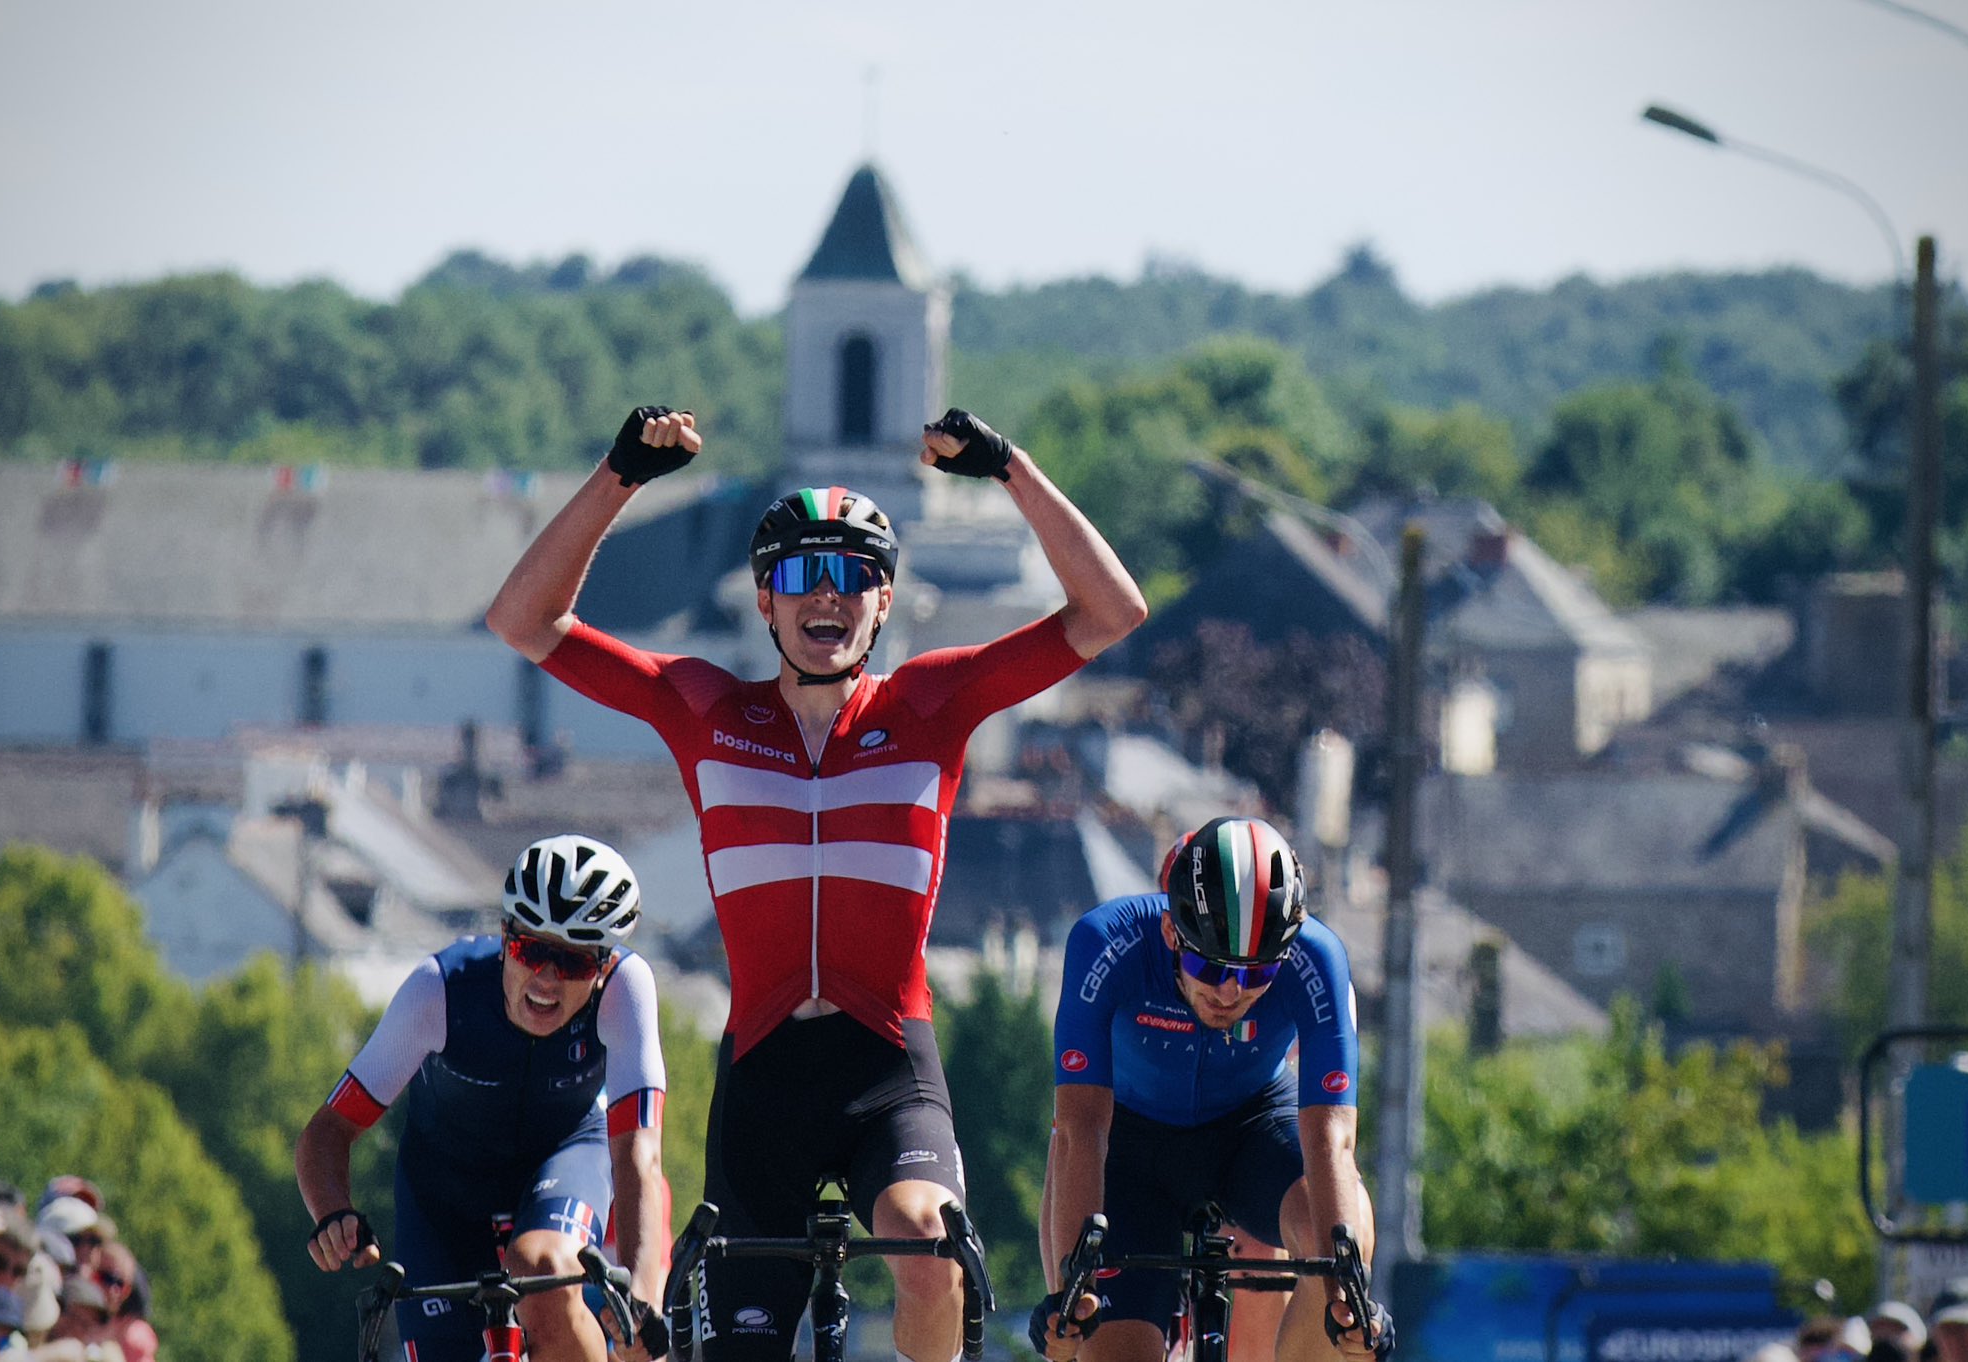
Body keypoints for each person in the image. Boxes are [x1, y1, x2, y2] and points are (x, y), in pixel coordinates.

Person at [486, 405, 1146, 1362]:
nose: (825, 597)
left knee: (929, 1249)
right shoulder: (705, 709)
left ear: (884, 602)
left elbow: (1112, 612)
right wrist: (618, 475)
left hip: (889, 1065)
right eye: (800, 576)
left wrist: (1010, 466)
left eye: (853, 577)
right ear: (765, 600)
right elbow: (524, 621)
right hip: (764, 1075)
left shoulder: (933, 703)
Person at [296, 834, 670, 1362]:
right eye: (530, 950)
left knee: (540, 1268)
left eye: (573, 963)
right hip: (443, 1193)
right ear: (504, 935)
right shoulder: (439, 990)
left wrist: (641, 1298)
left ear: (604, 966)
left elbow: (639, 1153)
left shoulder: (626, 988)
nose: (545, 978)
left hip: (565, 1154)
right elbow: (327, 1131)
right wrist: (333, 1212)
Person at [1035, 817, 1391, 1362]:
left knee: (1344, 1245)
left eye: (1256, 974)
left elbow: (1332, 1142)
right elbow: (1080, 1128)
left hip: (1251, 1131)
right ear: (1172, 932)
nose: (1231, 991)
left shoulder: (1318, 959)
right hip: (1126, 1146)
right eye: (1210, 965)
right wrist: (1070, 1289)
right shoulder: (1107, 942)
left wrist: (1349, 1294)